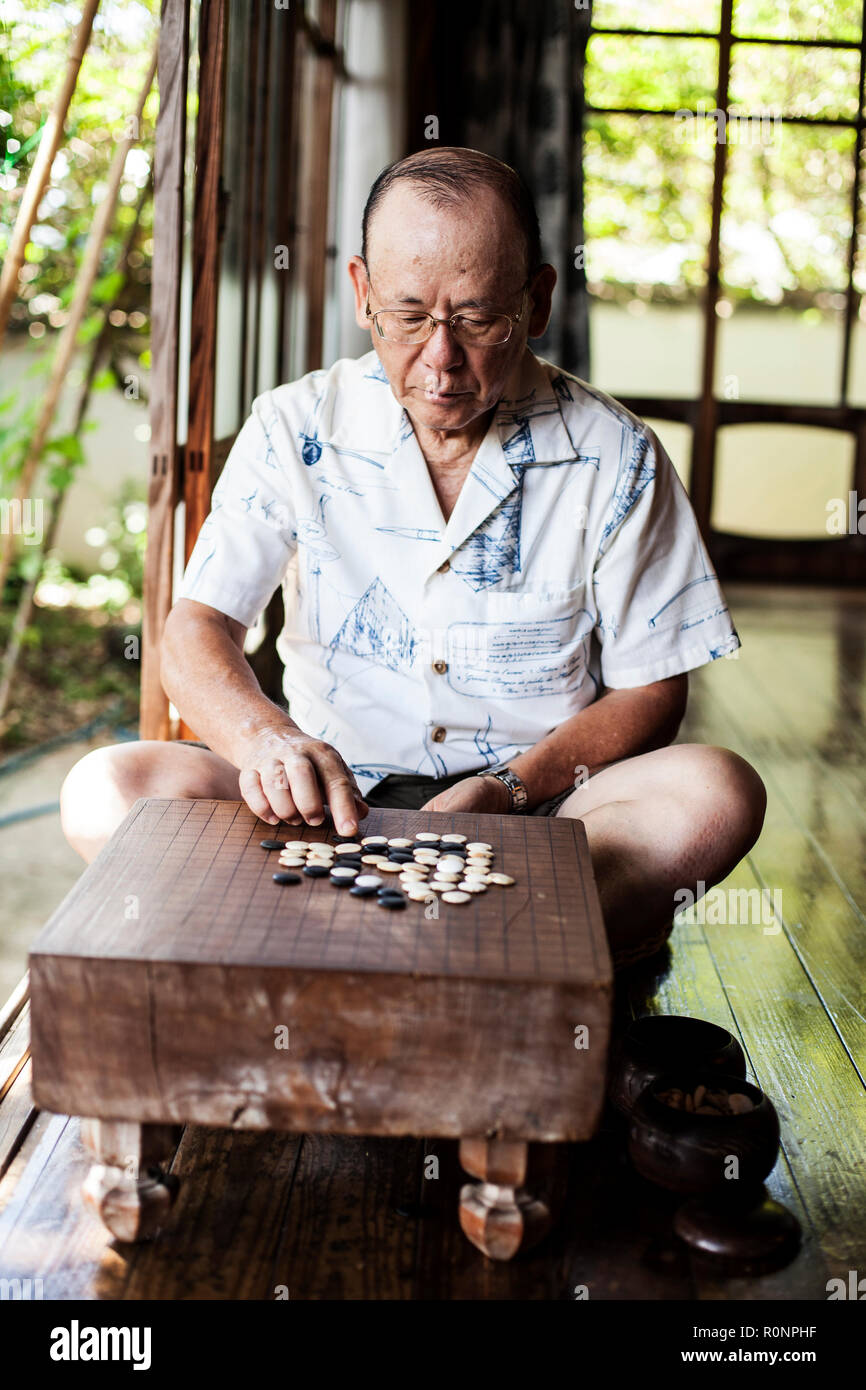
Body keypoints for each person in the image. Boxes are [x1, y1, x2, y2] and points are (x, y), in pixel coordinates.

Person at [60, 146, 766, 969]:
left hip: (538, 812)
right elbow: (196, 627)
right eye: (407, 316)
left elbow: (654, 687)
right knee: (106, 790)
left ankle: (356, 945)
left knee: (717, 791)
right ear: (362, 294)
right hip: (326, 807)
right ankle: (513, 950)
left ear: (536, 302)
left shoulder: (616, 453)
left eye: (476, 319)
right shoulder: (296, 428)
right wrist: (266, 745)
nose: (440, 359)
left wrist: (509, 790)